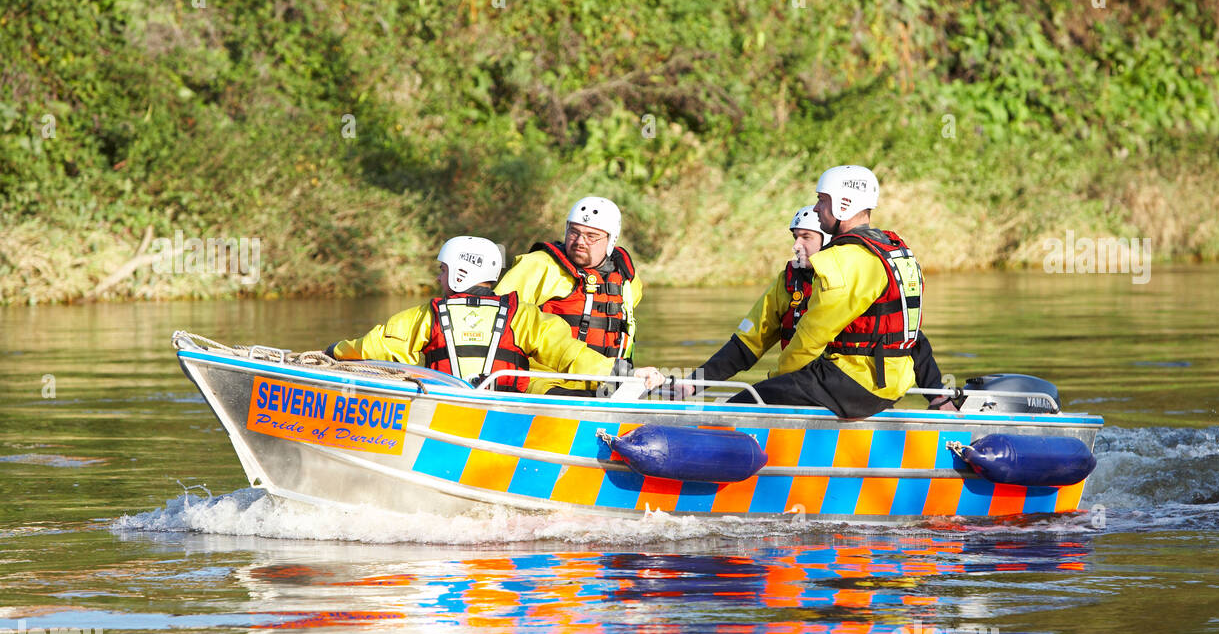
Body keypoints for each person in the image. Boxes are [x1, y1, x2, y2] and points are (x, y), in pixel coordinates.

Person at [690, 197, 953, 412]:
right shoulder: (787, 282)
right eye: (795, 237)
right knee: (747, 399)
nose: (796, 246)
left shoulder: (852, 277)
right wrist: (694, 383)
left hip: (842, 388)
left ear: (829, 243)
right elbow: (747, 344)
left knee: (753, 399)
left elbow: (910, 338)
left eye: (806, 237)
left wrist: (938, 396)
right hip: (802, 386)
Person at [326, 236, 662, 394]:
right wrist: (622, 374)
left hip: (446, 410)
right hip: (508, 415)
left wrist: (331, 353)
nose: (439, 278)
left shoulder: (424, 316)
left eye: (443, 270)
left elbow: (371, 348)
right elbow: (571, 355)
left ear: (459, 274)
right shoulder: (523, 316)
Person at [493, 197, 642, 395]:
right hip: (543, 382)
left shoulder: (627, 279)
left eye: (591, 236)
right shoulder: (537, 266)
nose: (580, 241)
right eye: (574, 232)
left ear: (611, 240)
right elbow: (494, 317)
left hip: (609, 383)